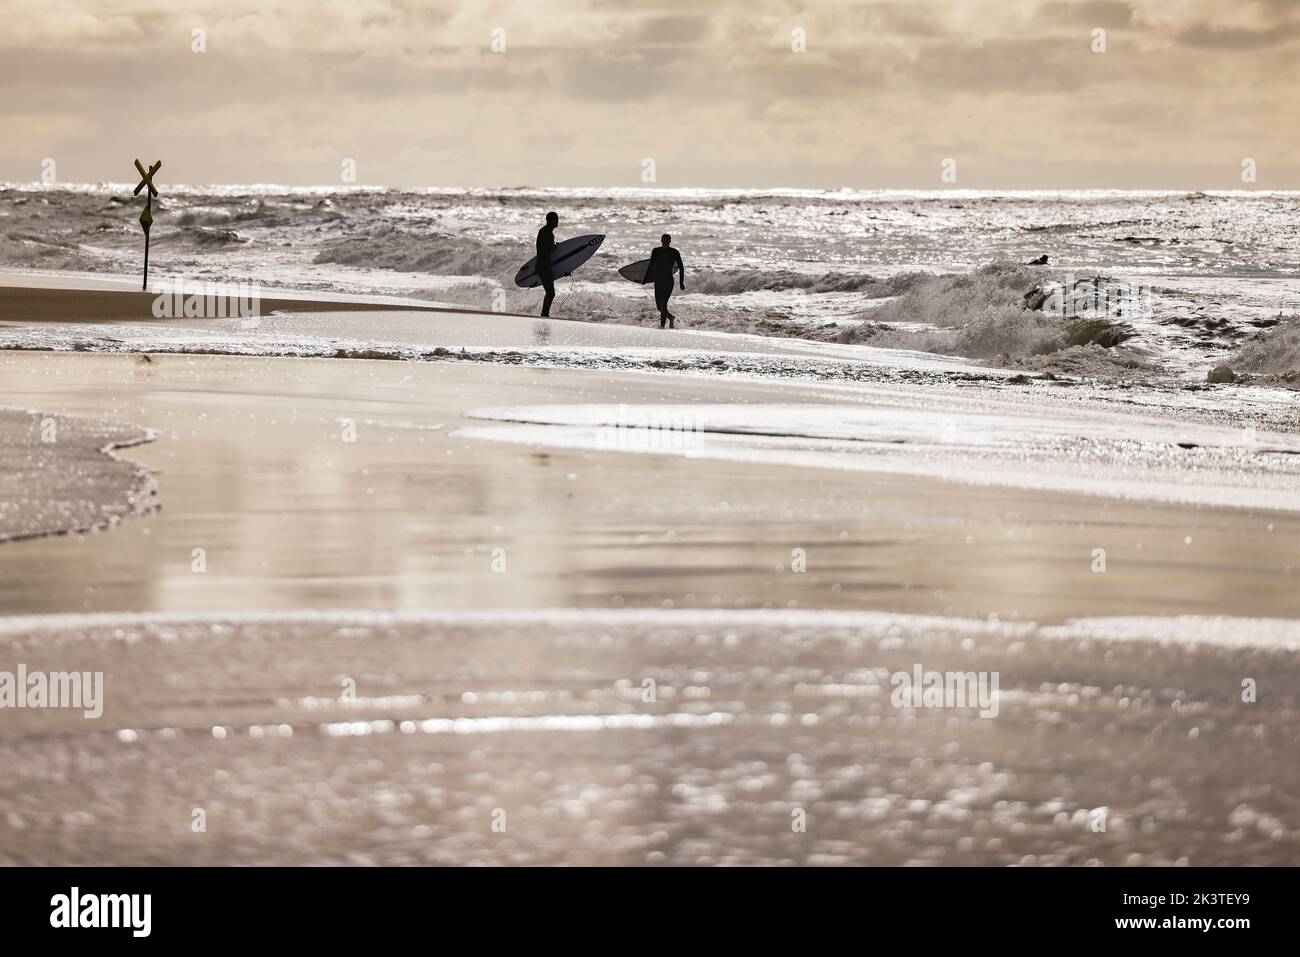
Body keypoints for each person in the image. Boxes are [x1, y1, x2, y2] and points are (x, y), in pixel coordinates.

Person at [641, 233, 686, 328]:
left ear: (670, 241)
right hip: (658, 281)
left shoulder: (674, 252)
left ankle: (662, 326)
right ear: (661, 240)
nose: (665, 242)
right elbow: (651, 266)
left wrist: (681, 282)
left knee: (663, 303)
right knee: (659, 307)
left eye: (667, 240)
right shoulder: (656, 251)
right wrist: (645, 278)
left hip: (668, 281)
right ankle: (670, 317)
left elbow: (681, 267)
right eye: (664, 240)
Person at [536, 211, 559, 317]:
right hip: (543, 266)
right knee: (550, 293)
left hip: (544, 265)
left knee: (550, 292)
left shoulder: (544, 231)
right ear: (549, 220)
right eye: (555, 219)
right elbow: (547, 249)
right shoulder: (547, 233)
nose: (557, 221)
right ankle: (544, 314)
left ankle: (545, 314)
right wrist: (555, 247)